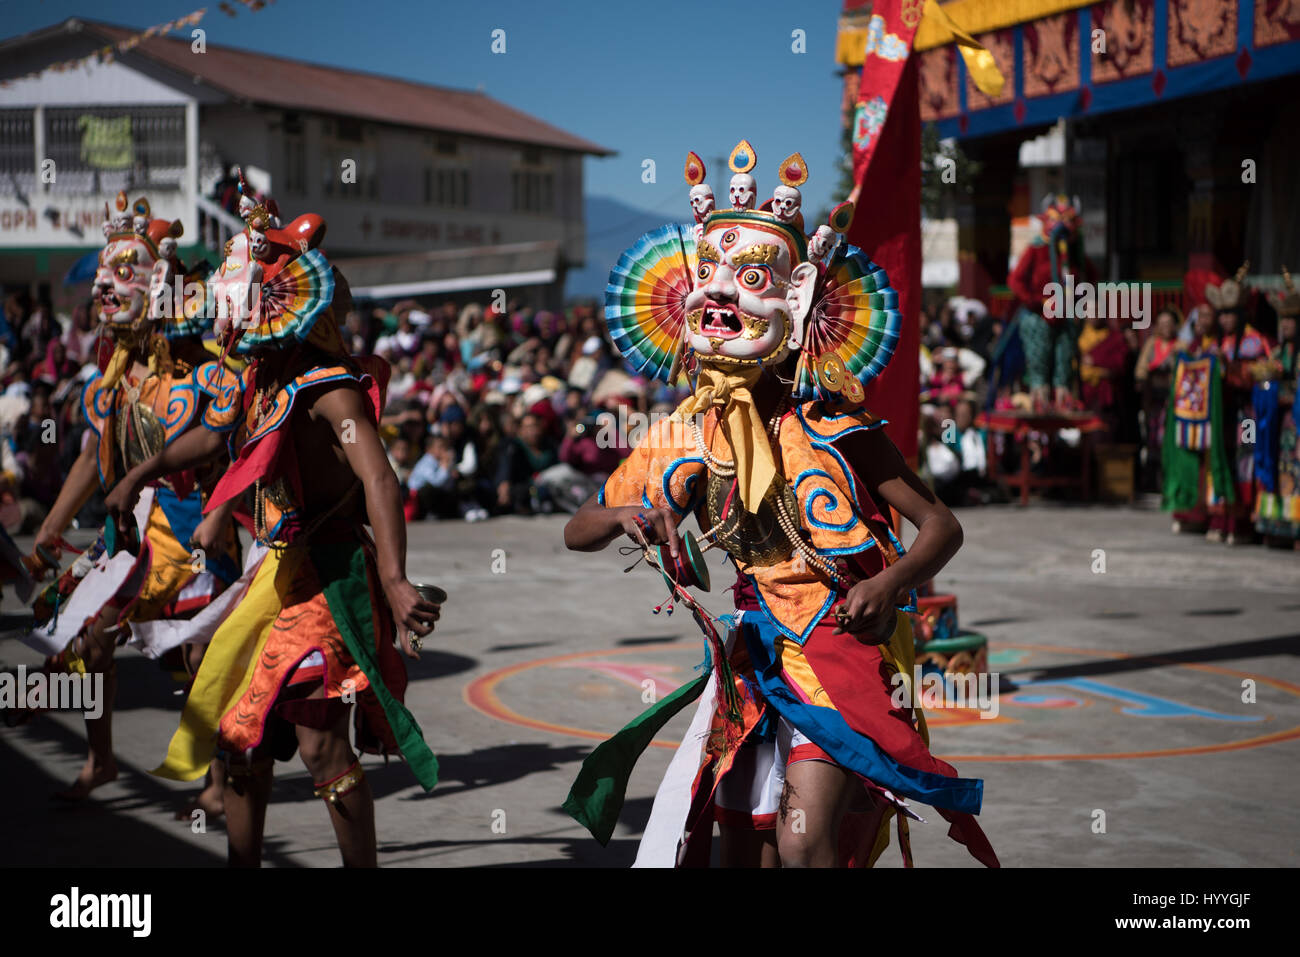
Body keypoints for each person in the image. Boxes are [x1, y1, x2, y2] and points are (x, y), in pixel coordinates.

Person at [562, 143, 997, 868]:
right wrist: (621, 518)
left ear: (795, 300)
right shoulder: (684, 434)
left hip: (838, 646)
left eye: (751, 277)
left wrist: (890, 582)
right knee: (747, 847)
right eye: (707, 276)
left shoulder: (836, 428)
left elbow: (941, 525)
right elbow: (578, 527)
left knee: (802, 839)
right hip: (750, 655)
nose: (720, 295)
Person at [106, 180, 440, 867]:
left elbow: (379, 476)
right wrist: (140, 473)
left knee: (319, 744)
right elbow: (210, 439)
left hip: (334, 575)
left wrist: (397, 578)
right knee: (240, 739)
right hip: (278, 573)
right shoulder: (260, 381)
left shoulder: (327, 385)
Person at [15, 192, 242, 806]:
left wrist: (158, 480)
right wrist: (51, 530)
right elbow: (93, 454)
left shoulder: (199, 360)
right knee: (90, 640)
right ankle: (102, 760)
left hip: (194, 522)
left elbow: (218, 438)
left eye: (124, 276)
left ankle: (218, 780)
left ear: (159, 284)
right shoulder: (113, 370)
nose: (105, 292)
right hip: (131, 525)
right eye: (104, 279)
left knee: (199, 651)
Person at [1008, 194, 1096, 411]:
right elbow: (1015, 280)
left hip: (1067, 314)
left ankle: (1063, 398)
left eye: (1067, 220)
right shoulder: (1037, 250)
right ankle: (1040, 399)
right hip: (1040, 315)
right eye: (1057, 219)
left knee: (1064, 359)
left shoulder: (1076, 253)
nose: (1062, 225)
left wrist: (1080, 302)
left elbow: (1091, 277)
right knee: (1040, 358)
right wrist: (1035, 301)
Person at [1254, 269, 1299, 546]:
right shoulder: (1276, 354)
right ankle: (1277, 526)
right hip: (1278, 422)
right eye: (1282, 321)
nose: (1284, 326)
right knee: (1278, 469)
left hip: (1296, 422)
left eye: (1290, 321)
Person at [1135, 307, 1181, 493]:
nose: (1166, 327)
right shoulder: (1151, 344)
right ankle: (1153, 479)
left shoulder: (1180, 346)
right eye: (1162, 324)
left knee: (1169, 437)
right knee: (1153, 438)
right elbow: (1140, 369)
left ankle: (1171, 477)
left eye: (1169, 324)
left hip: (1174, 400)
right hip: (1153, 398)